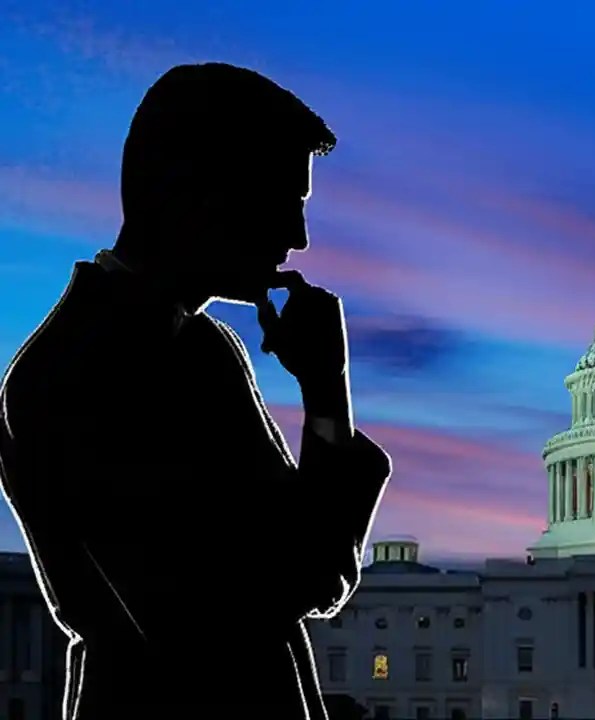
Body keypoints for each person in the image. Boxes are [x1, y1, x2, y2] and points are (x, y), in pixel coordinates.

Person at [0, 63, 392, 720]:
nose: (298, 238)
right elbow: (292, 581)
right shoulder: (76, 372)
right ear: (199, 197)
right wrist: (327, 392)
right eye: (284, 203)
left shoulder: (200, 347)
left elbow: (295, 568)